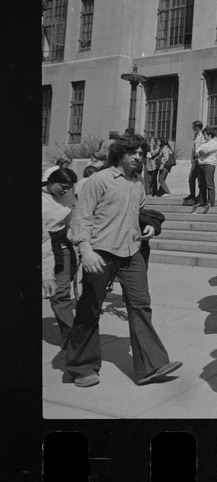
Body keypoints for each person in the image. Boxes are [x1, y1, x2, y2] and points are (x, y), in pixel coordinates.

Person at [64, 132, 182, 387]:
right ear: (119, 154)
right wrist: (85, 249)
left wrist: (148, 225)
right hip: (100, 252)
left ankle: (151, 365)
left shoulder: (139, 182)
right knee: (90, 308)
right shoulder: (98, 180)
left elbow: (137, 211)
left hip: (132, 252)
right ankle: (81, 367)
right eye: (133, 153)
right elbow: (81, 217)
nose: (138, 158)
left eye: (141, 154)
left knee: (141, 305)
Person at [42, 168, 79, 347]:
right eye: (62, 187)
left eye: (69, 187)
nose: (65, 191)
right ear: (50, 182)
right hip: (42, 246)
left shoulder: (69, 195)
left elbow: (72, 219)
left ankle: (70, 337)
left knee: (61, 293)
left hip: (61, 245)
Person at [194, 126, 217, 212]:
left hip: (209, 164)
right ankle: (202, 201)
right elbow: (196, 153)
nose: (204, 136)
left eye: (205, 134)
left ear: (209, 135)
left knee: (209, 183)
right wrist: (201, 153)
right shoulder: (203, 144)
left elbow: (205, 152)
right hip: (200, 164)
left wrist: (201, 153)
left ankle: (210, 201)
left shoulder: (214, 143)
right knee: (201, 184)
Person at [183, 120, 204, 205]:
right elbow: (193, 147)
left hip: (200, 159)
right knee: (191, 178)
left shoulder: (203, 136)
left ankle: (200, 196)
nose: (192, 129)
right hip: (195, 159)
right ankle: (192, 194)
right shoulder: (195, 136)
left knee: (200, 179)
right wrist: (192, 158)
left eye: (193, 127)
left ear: (197, 127)